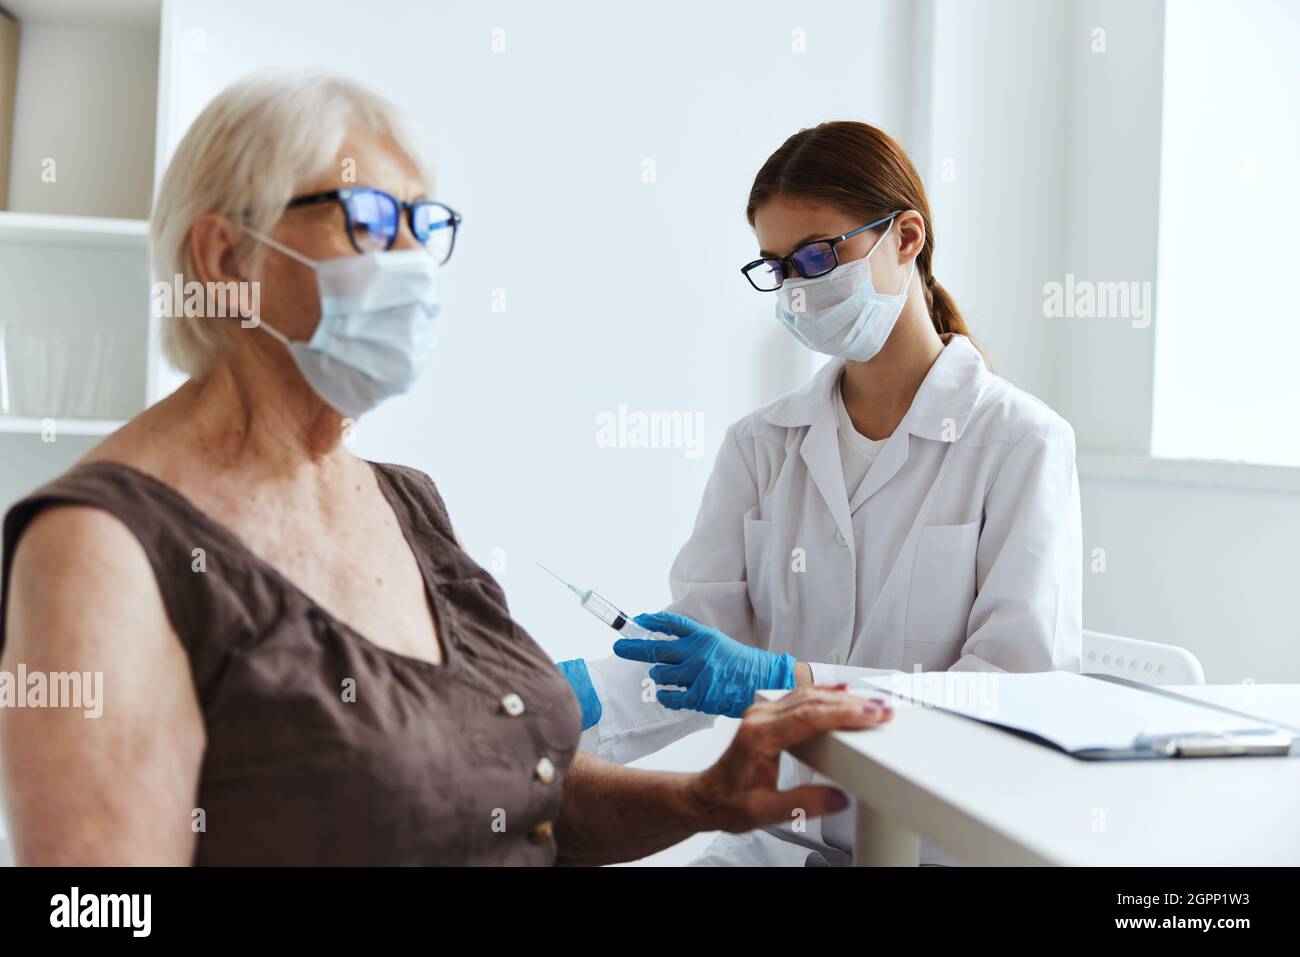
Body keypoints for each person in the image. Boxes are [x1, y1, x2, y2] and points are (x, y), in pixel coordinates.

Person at [0, 75, 891, 866]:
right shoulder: (102, 546)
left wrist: (701, 801)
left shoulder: (402, 501)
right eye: (372, 220)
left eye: (425, 225)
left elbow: (516, 794)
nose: (414, 265)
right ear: (226, 258)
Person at [563, 121, 1082, 866]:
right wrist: (554, 703)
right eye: (778, 266)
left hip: (935, 848)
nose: (798, 287)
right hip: (775, 841)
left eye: (816, 255)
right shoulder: (761, 444)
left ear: (906, 237)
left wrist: (797, 683)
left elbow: (1013, 697)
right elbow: (696, 648)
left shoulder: (1021, 442)